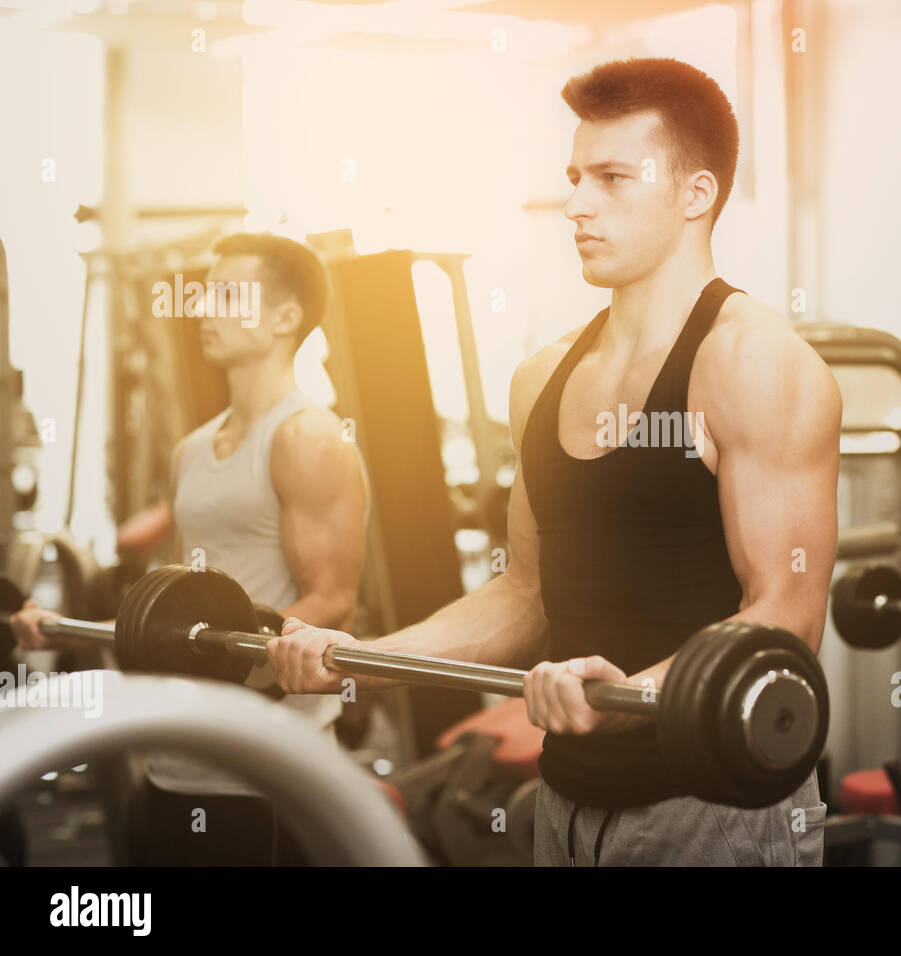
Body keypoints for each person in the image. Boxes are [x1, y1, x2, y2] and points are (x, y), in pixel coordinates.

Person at [267, 58, 842, 866]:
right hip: (569, 801)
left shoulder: (753, 363)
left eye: (611, 178)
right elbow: (525, 592)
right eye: (575, 177)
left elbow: (786, 614)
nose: (576, 204)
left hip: (715, 807)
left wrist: (628, 697)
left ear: (696, 195)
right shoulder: (541, 380)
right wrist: (362, 661)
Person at [10, 232, 369, 864]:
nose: (204, 308)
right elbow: (173, 612)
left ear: (286, 317)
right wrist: (73, 632)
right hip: (177, 759)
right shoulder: (192, 450)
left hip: (267, 768)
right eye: (206, 292)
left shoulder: (308, 437)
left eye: (229, 294)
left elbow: (333, 601)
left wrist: (242, 655)